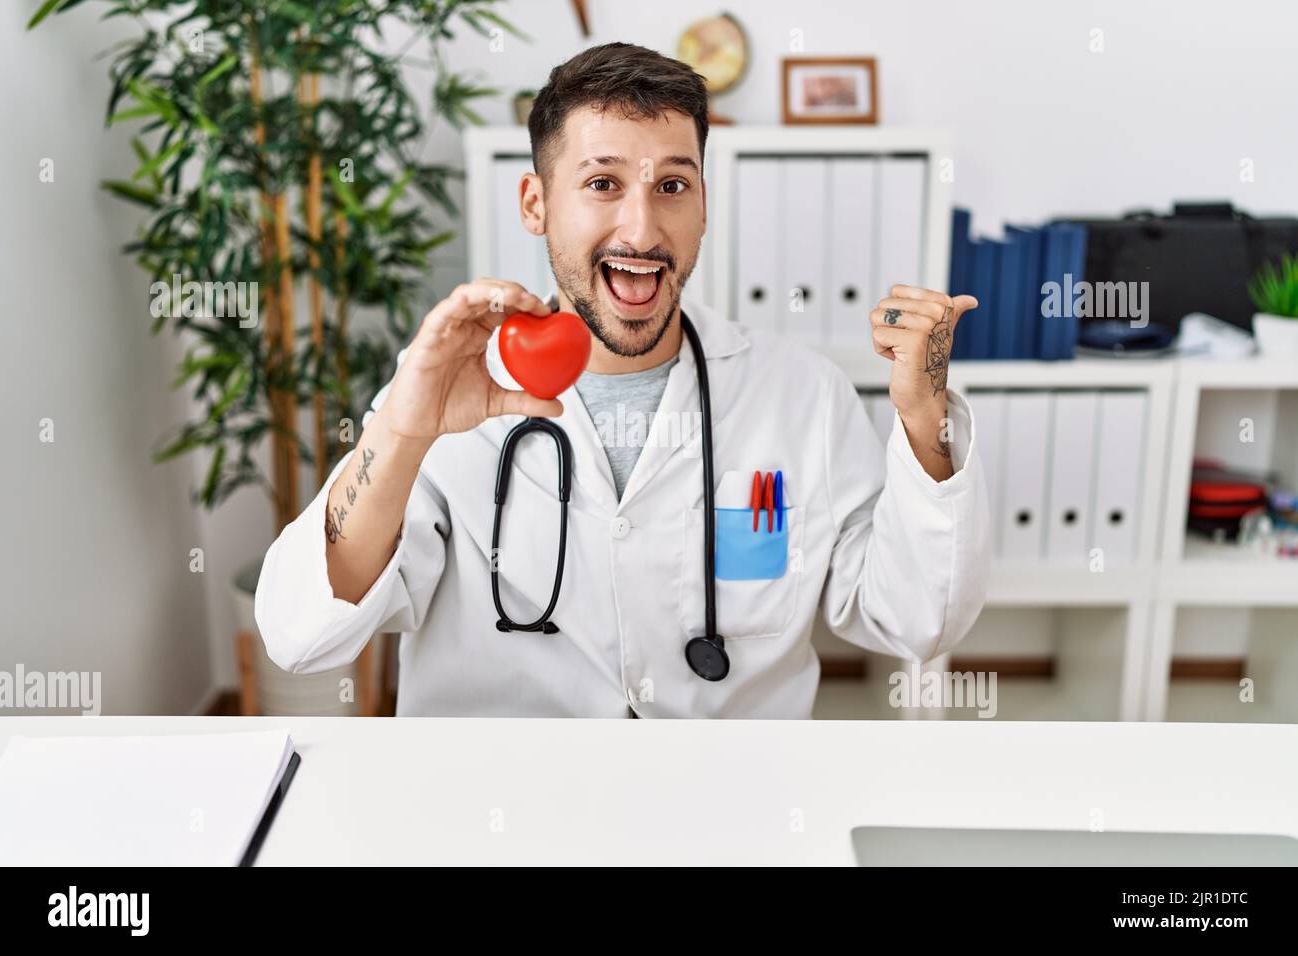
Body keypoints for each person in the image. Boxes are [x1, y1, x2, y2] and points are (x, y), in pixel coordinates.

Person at [255, 42, 991, 717]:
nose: (641, 231)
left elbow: (915, 619)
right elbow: (300, 636)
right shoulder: (444, 391)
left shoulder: (801, 396)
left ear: (704, 205)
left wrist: (924, 416)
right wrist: (402, 431)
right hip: (502, 817)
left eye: (673, 185)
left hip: (727, 815)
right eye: (602, 182)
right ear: (535, 204)